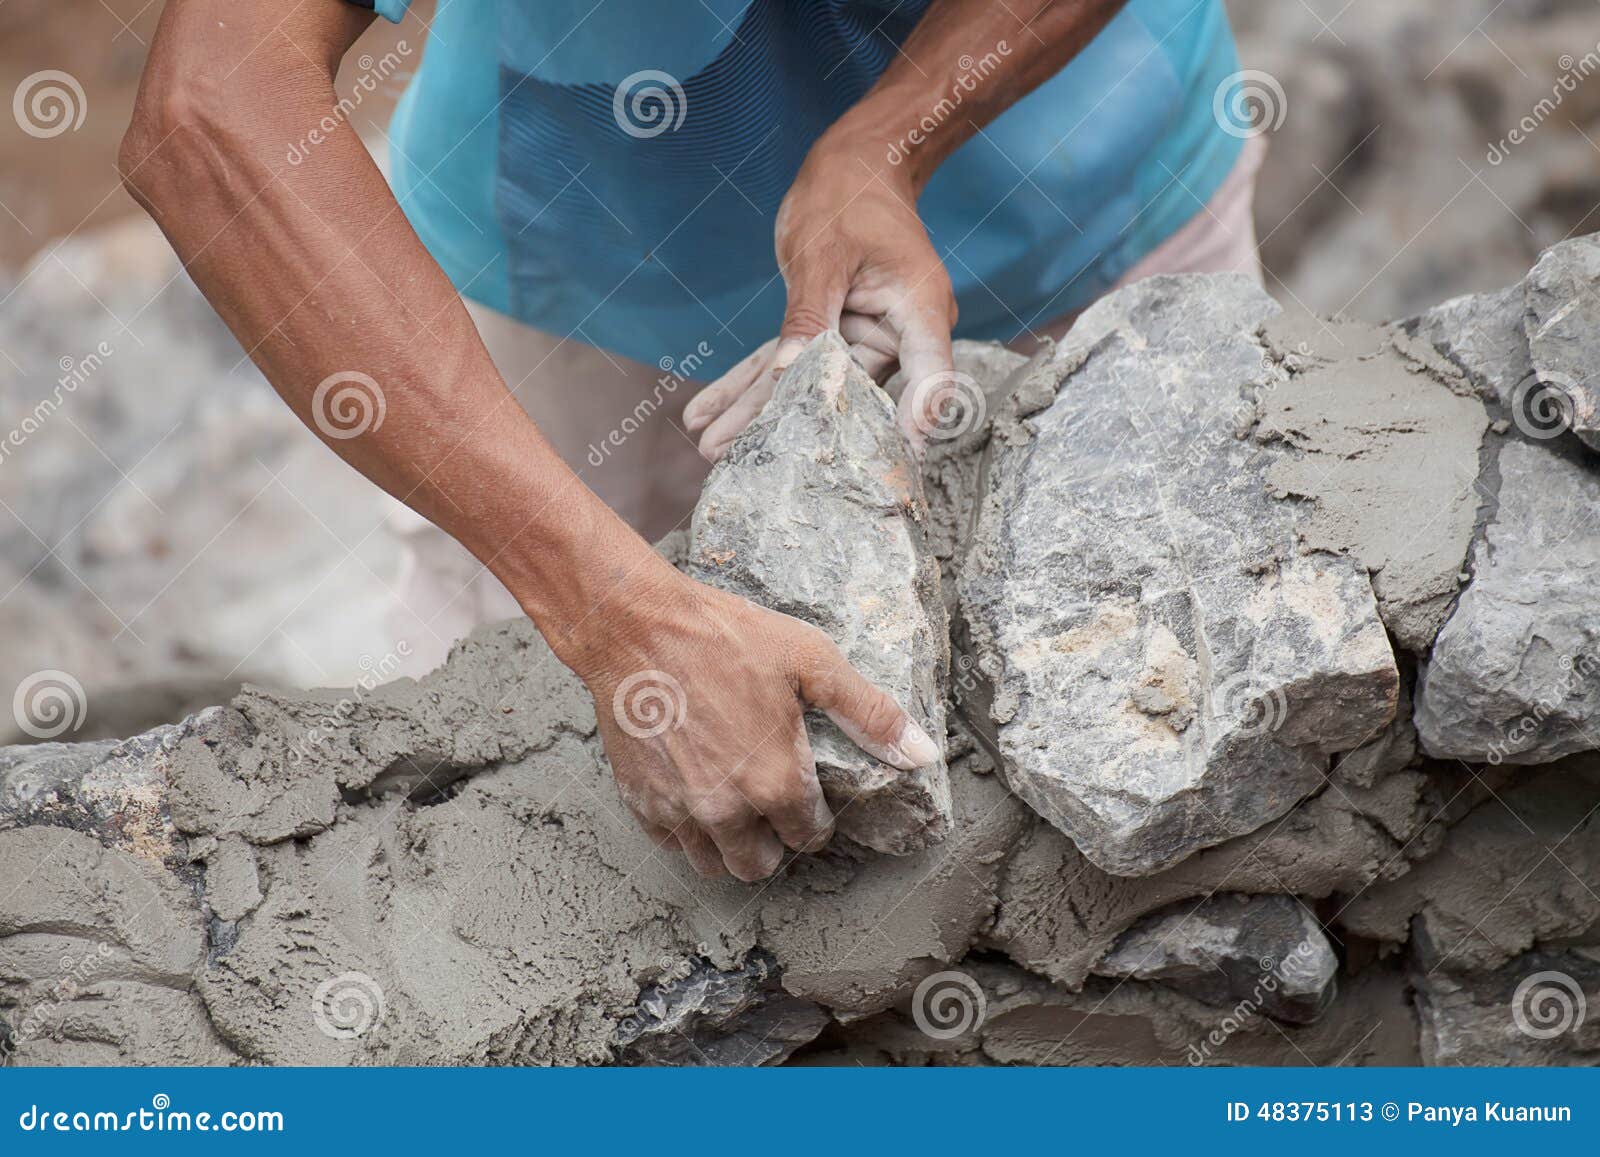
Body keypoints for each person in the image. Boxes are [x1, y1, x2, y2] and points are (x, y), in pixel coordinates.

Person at [119, 0, 1263, 881]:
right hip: (583, 238)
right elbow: (210, 110)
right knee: (508, 745)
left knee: (1177, 701)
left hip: (1075, 179)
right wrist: (611, 611)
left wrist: (889, 145)